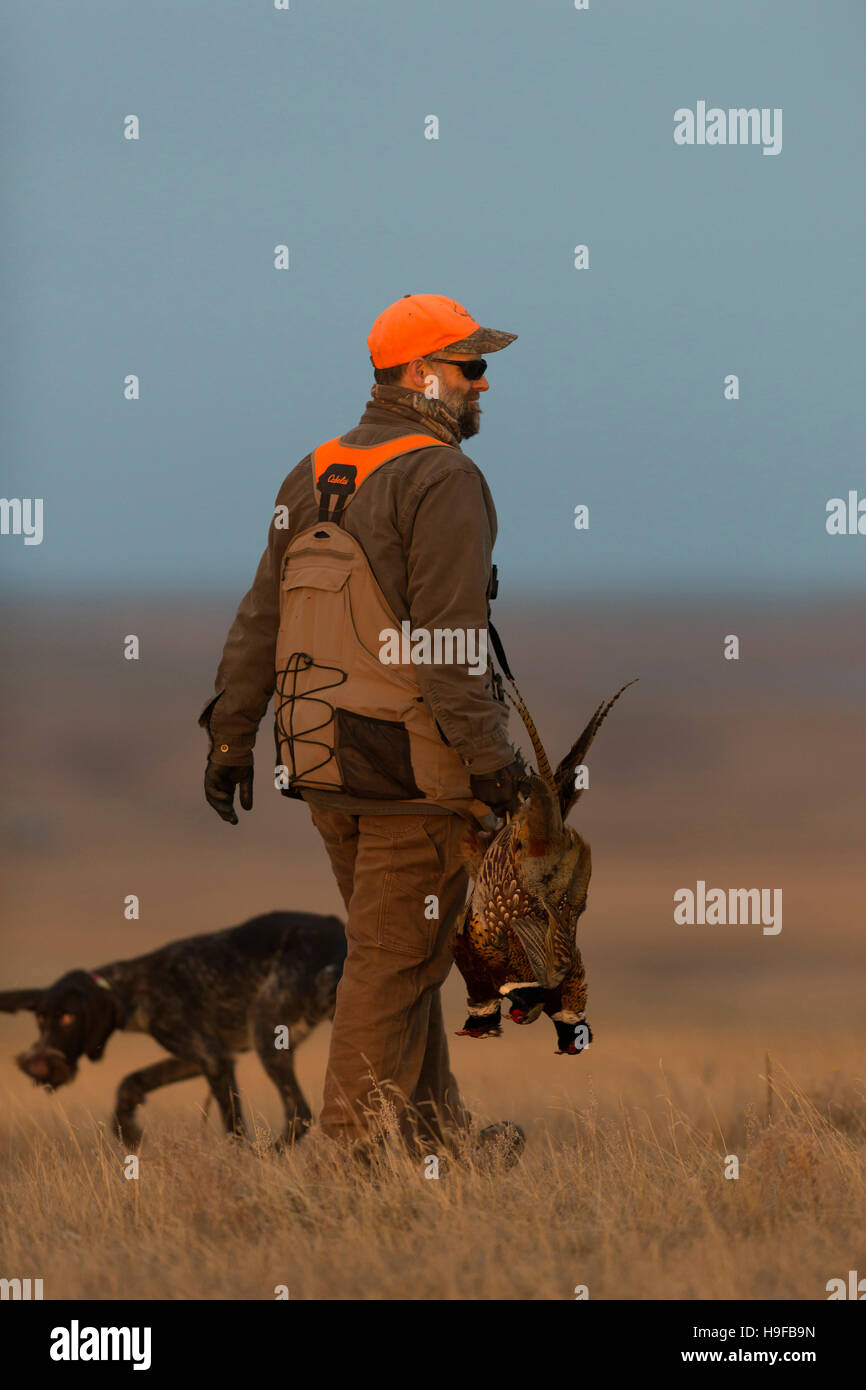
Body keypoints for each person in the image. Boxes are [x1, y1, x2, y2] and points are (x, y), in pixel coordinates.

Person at [200, 293, 527, 1162]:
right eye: (470, 368)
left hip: (321, 762)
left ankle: (436, 1140)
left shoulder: (310, 471)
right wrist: (493, 765)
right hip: (411, 771)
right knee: (388, 965)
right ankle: (341, 1167)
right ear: (422, 376)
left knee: (403, 955)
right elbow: (451, 641)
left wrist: (232, 735)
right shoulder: (443, 479)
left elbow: (259, 617)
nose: (483, 385)